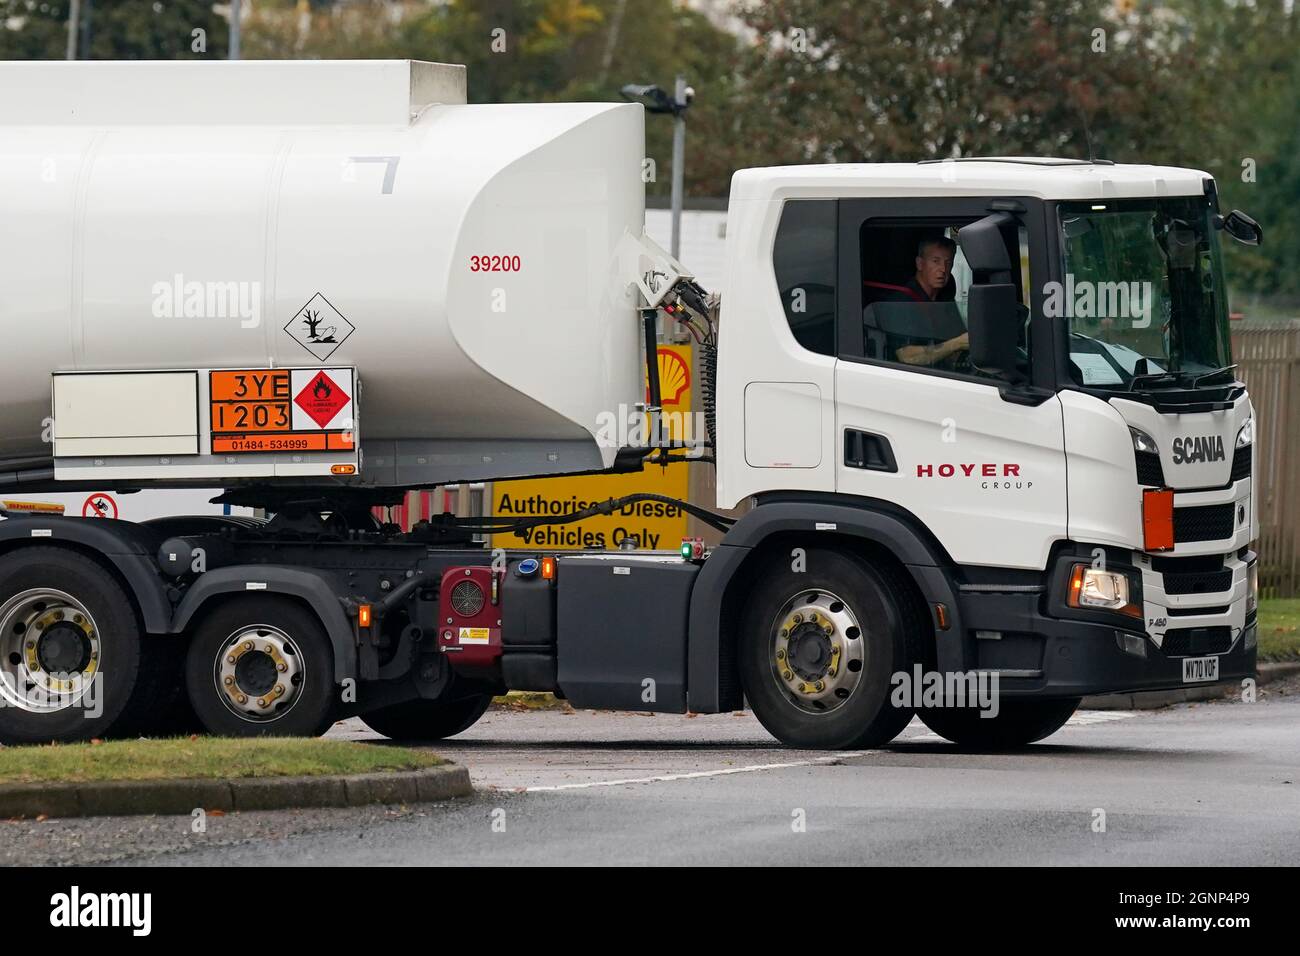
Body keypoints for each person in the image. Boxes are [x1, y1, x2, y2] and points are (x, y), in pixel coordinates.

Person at [876, 235, 968, 367]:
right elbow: (907, 356)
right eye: (936, 261)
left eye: (948, 263)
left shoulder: (944, 299)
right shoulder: (902, 301)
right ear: (920, 264)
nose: (943, 269)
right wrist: (956, 344)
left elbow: (959, 341)